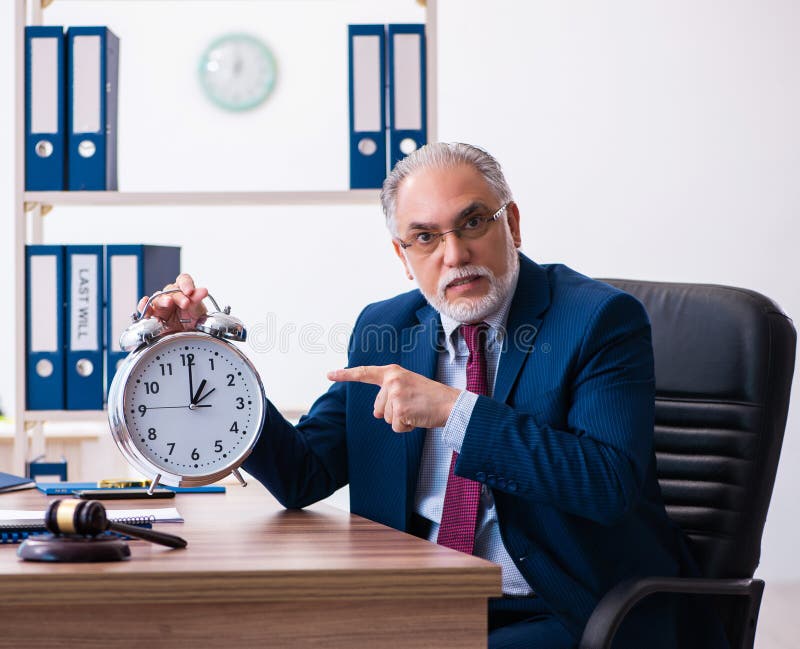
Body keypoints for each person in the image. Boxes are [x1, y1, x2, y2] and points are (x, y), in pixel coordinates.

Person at [148, 143, 725, 648]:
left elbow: (608, 485)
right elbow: (303, 475)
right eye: (425, 237)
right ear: (403, 257)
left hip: (567, 608)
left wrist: (455, 413)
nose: (453, 255)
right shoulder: (386, 328)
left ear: (513, 225)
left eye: (472, 223)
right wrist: (206, 358)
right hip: (414, 605)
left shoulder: (598, 320)